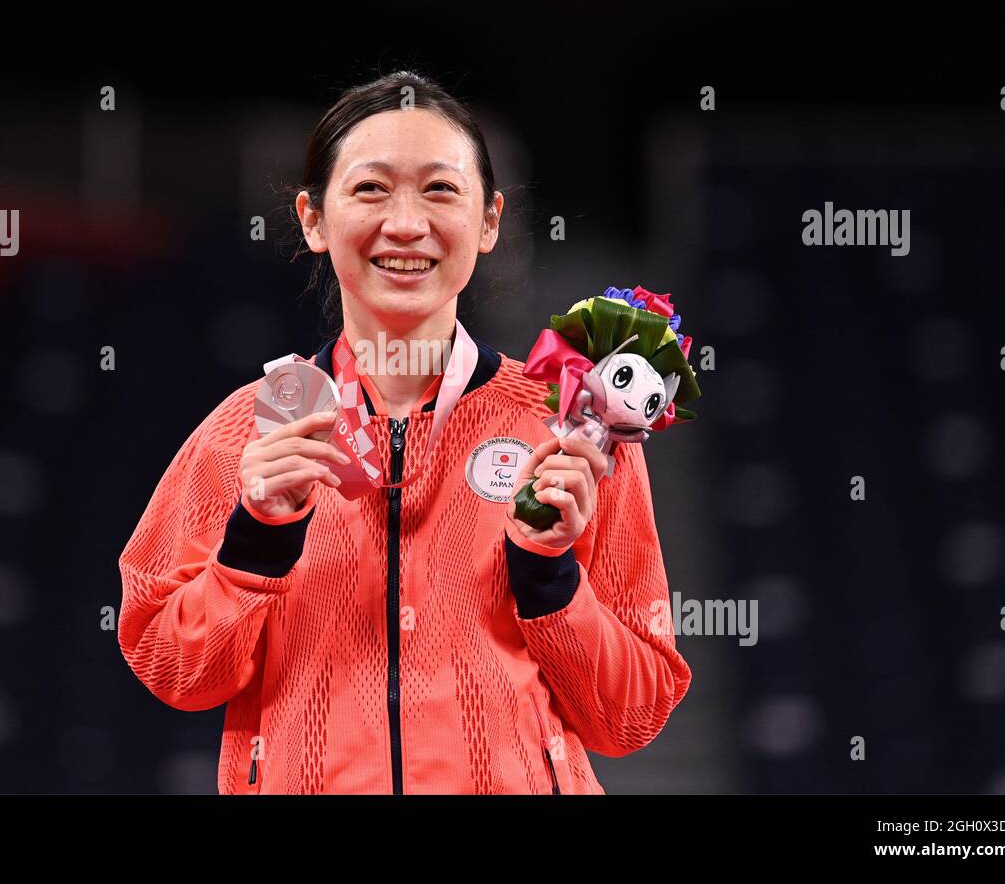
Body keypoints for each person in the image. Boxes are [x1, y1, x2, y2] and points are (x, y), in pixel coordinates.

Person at [117, 70, 692, 794]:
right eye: (370, 189)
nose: (407, 223)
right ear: (313, 219)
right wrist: (255, 540)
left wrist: (550, 579)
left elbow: (631, 718)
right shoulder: (246, 432)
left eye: (441, 189)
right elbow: (173, 672)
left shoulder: (569, 433)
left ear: (489, 221)